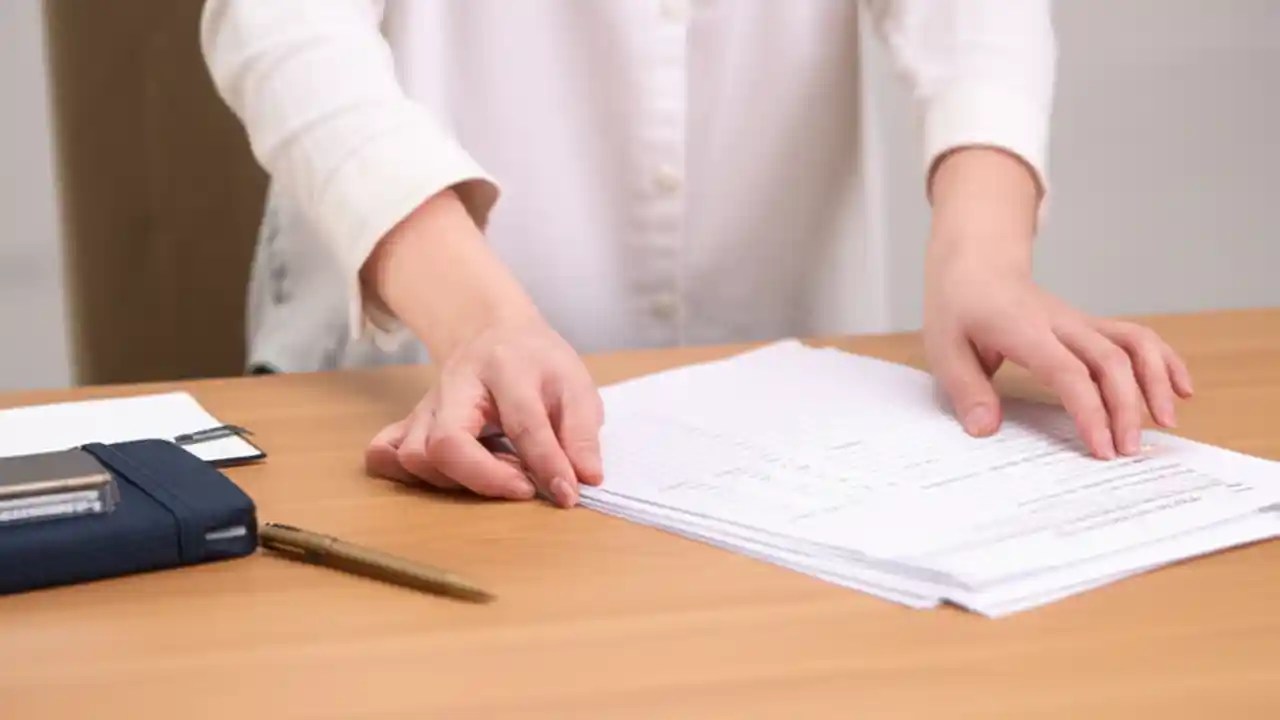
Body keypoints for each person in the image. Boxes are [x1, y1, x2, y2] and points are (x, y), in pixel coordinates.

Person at [201, 1, 1193, 509]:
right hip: (416, 354)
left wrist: (984, 253)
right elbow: (284, 26)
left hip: (783, 408)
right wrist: (479, 321)